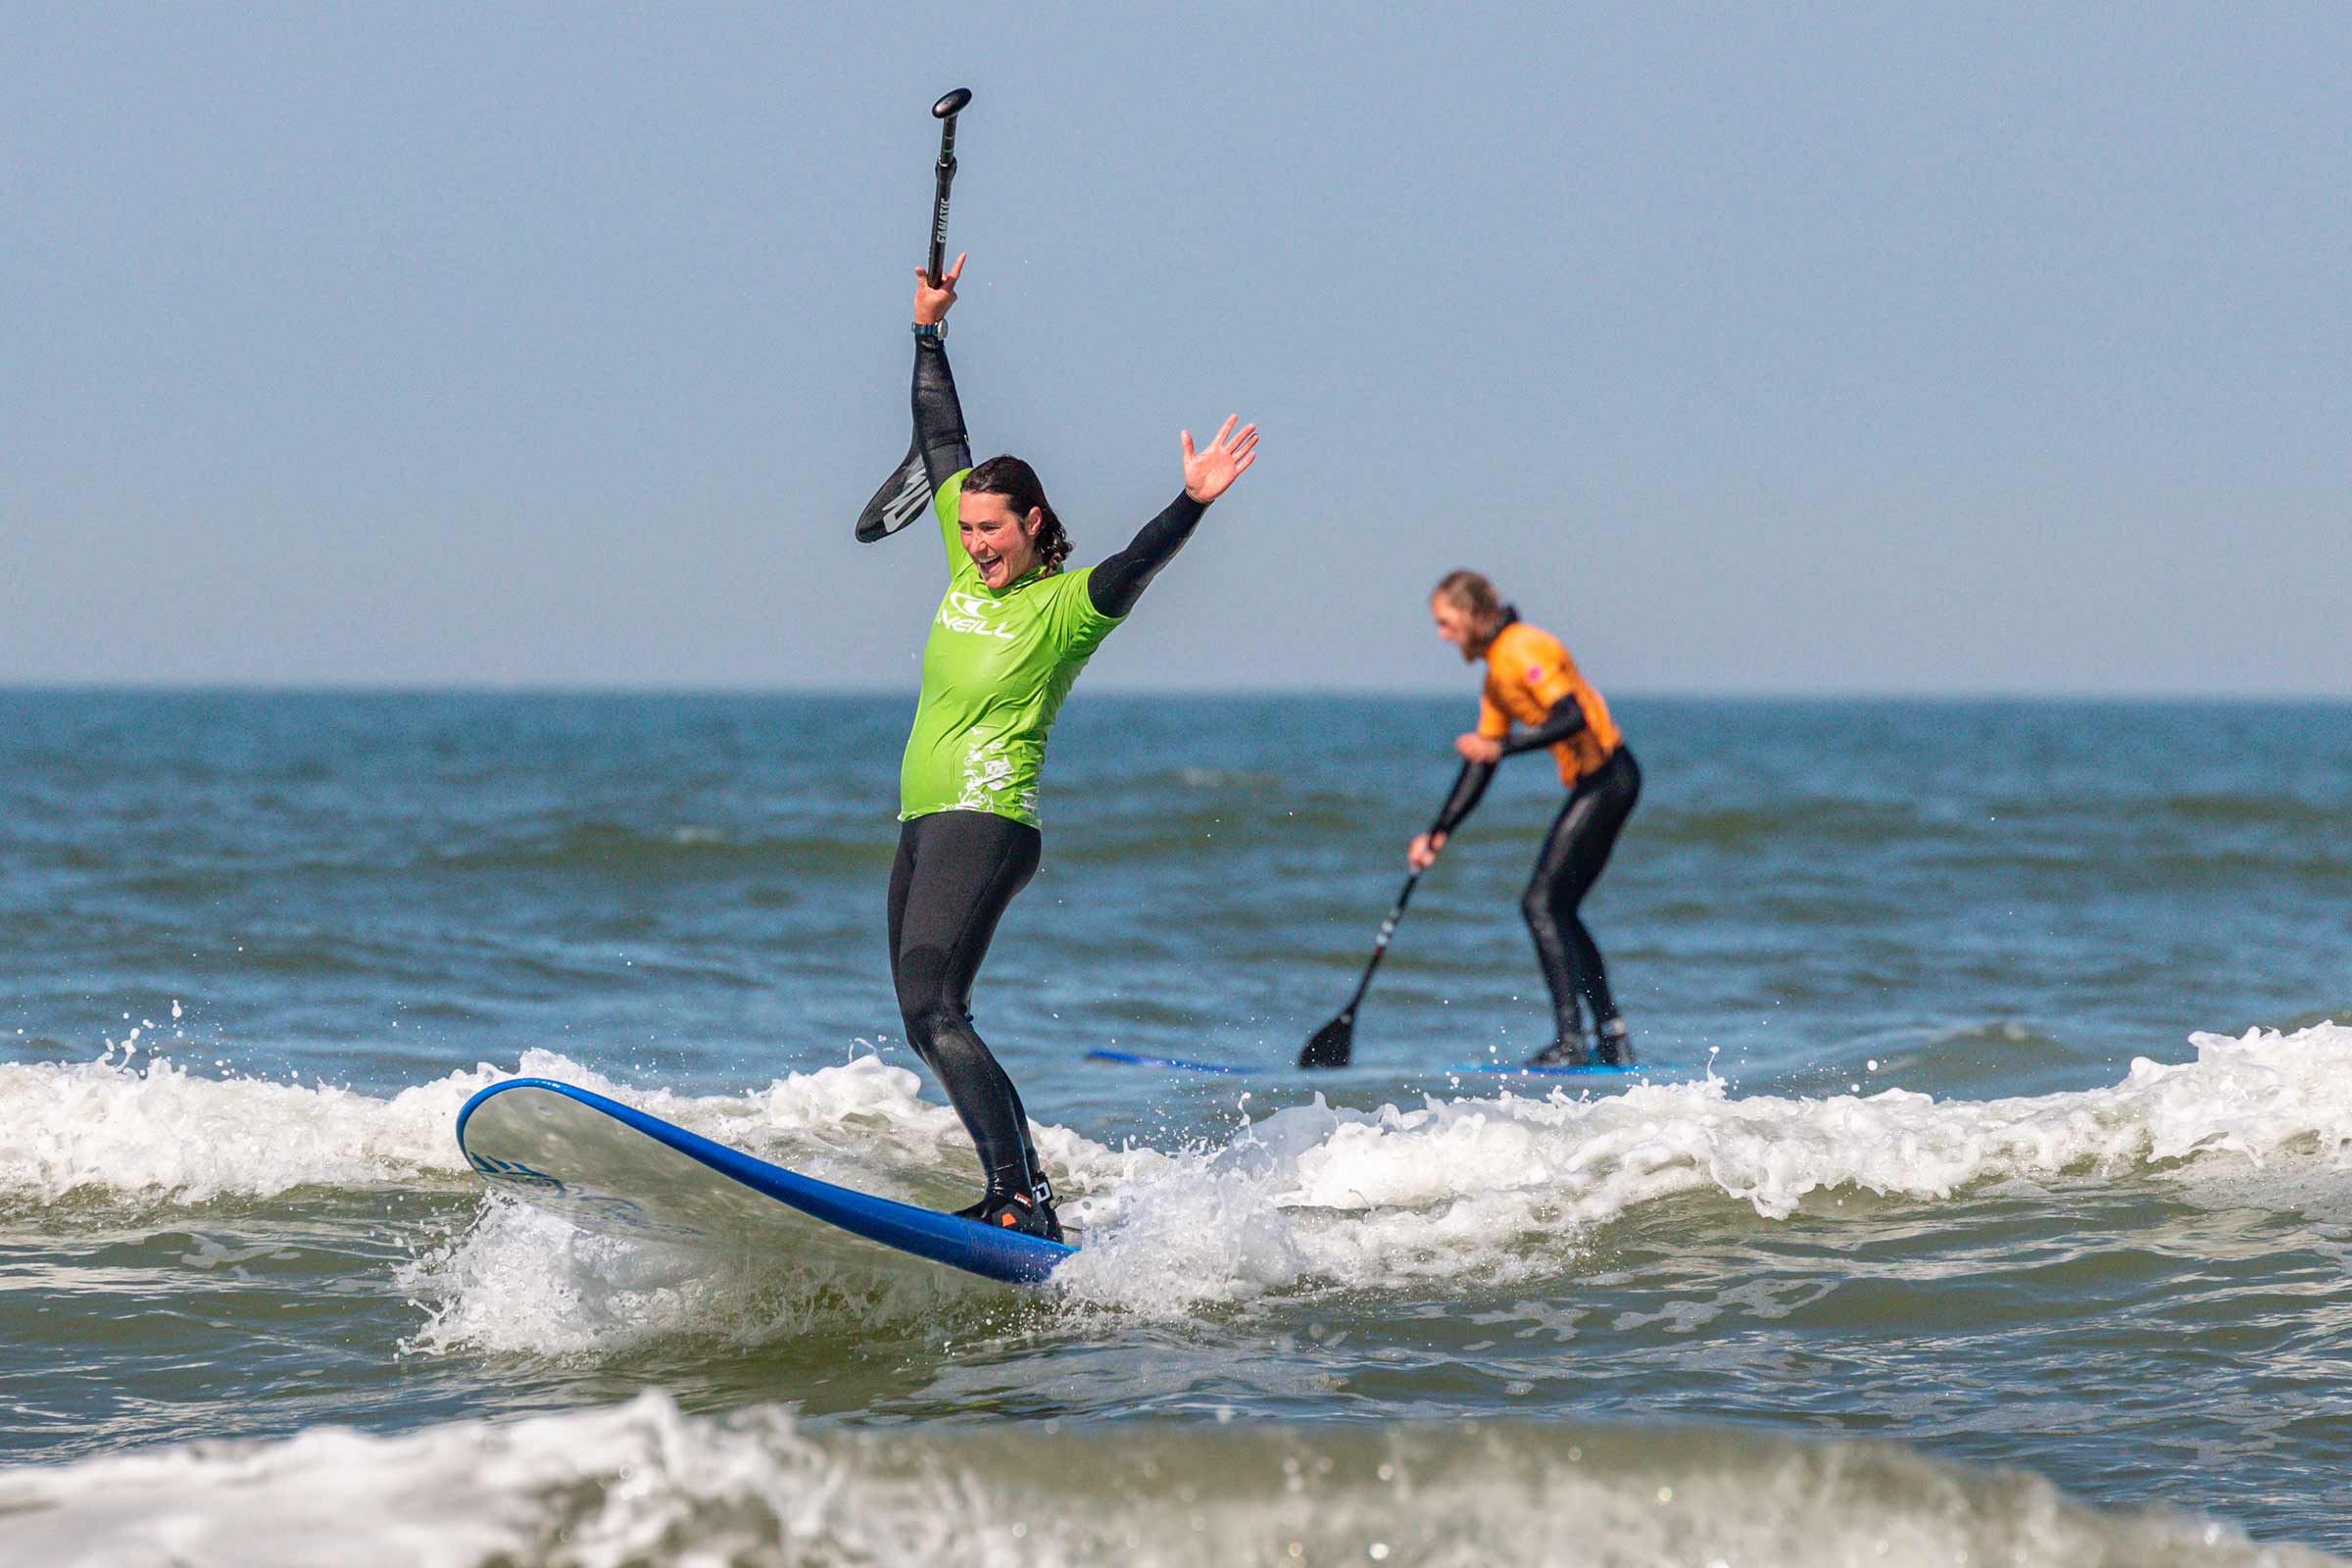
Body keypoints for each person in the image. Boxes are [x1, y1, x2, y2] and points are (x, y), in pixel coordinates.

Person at [871, 252, 1257, 1240]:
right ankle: (1018, 1191)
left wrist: (1193, 501)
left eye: (991, 529)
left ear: (1032, 522)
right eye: (966, 527)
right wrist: (928, 330)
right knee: (925, 1018)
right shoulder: (966, 566)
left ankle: (1024, 1196)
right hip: (924, 820)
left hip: (986, 819)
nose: (975, 542)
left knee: (936, 1008)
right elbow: (942, 434)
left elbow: (1135, 564)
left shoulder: (1063, 609)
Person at [1407, 570, 1642, 1067]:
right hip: (1599, 784)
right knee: (1558, 907)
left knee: (1540, 904)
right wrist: (1439, 830)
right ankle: (1610, 1035)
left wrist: (1504, 746)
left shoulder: (1523, 648)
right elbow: (1482, 760)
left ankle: (1572, 1041)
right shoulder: (1496, 675)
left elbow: (1572, 716)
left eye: (1445, 622)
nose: (1442, 635)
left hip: (1609, 779)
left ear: (1472, 614)